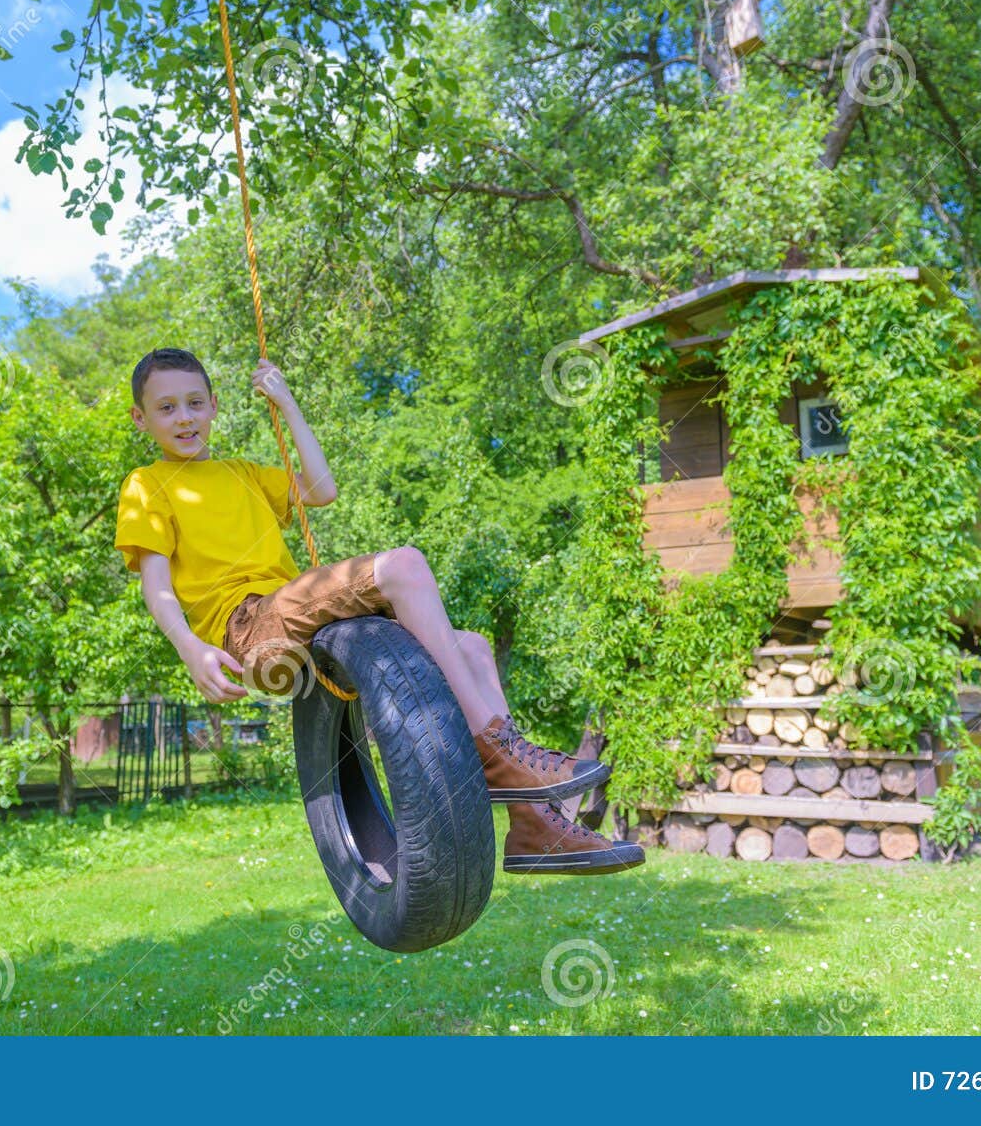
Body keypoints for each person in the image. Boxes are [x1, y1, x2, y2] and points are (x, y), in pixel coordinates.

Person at [114, 346, 644, 875]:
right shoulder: (146, 485)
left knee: (474, 647)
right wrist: (191, 649)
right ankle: (499, 756)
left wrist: (287, 404)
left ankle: (534, 827)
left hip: (293, 611)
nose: (183, 417)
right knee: (403, 566)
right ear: (141, 418)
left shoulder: (243, 474)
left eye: (194, 403)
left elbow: (322, 489)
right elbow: (156, 586)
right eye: (166, 408)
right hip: (250, 626)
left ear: (213, 405)